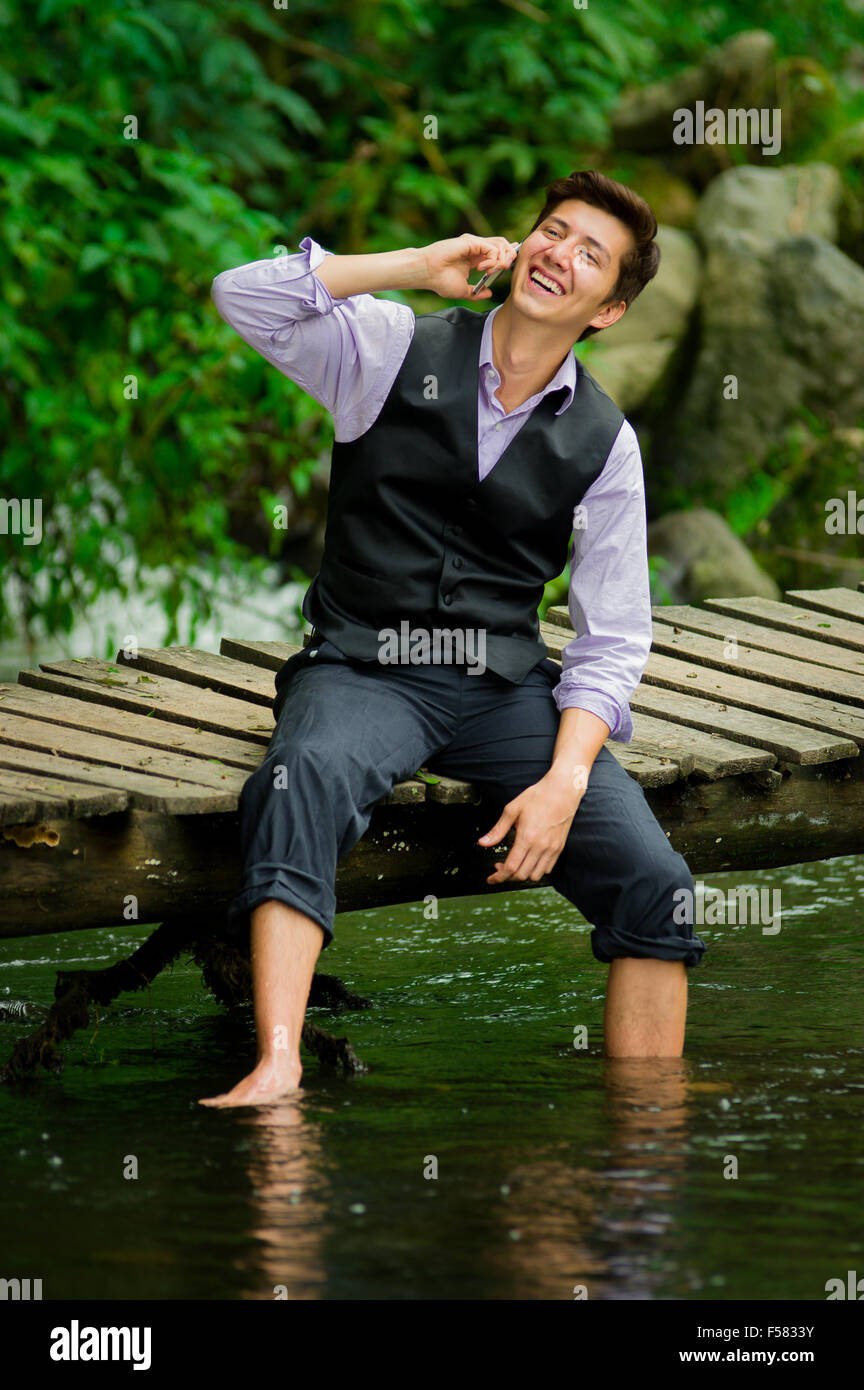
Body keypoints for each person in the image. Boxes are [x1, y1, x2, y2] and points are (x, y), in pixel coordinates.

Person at [199, 169, 706, 1108]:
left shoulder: (608, 442)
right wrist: (416, 266)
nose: (560, 252)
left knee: (657, 882)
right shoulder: (392, 347)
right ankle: (277, 1066)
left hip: (501, 688)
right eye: (553, 231)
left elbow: (612, 638)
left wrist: (563, 780)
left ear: (609, 310)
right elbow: (242, 296)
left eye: (590, 254)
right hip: (364, 668)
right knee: (297, 777)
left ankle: (646, 1121)